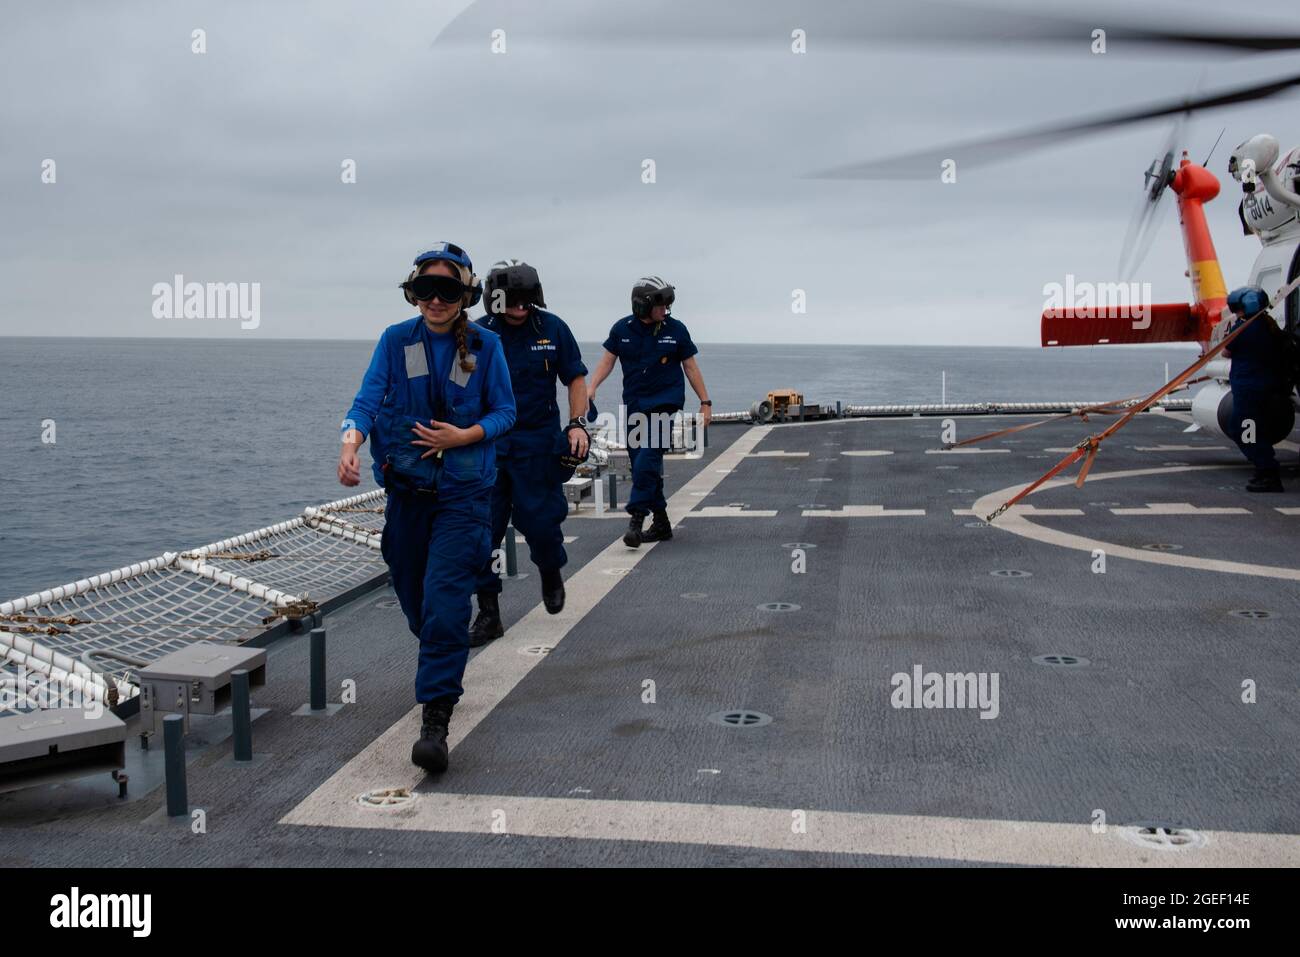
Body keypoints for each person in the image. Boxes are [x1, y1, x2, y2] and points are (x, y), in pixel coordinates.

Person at [338, 243, 516, 773]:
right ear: (413, 293)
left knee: (444, 604)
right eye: (426, 291)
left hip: (463, 500)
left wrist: (466, 434)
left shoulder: (486, 346)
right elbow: (367, 400)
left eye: (448, 291)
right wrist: (350, 443)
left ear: (466, 295)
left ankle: (435, 718)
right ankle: (443, 654)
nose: (436, 301)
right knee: (414, 594)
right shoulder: (396, 341)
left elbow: (507, 412)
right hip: (408, 497)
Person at [469, 260, 589, 645]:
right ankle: (488, 613)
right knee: (479, 534)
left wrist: (576, 423)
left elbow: (575, 378)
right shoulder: (478, 333)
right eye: (512, 301)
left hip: (537, 445)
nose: (520, 307)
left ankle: (551, 571)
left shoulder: (553, 328)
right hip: (487, 448)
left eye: (527, 300)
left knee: (541, 524)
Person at [587, 276, 712, 547]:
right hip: (635, 405)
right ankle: (662, 523)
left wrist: (705, 403)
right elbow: (608, 361)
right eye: (660, 304)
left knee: (648, 456)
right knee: (643, 464)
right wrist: (591, 387)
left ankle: (636, 519)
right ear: (642, 306)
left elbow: (690, 367)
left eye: (667, 304)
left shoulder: (676, 330)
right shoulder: (622, 329)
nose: (665, 310)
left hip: (665, 403)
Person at [1221, 285, 1296, 492]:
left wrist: (1233, 329)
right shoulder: (1268, 325)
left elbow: (1225, 353)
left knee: (1243, 430)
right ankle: (1265, 469)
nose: (1237, 313)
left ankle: (1267, 471)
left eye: (1238, 309)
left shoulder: (1244, 328)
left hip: (1249, 391)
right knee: (1256, 429)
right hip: (1267, 388)